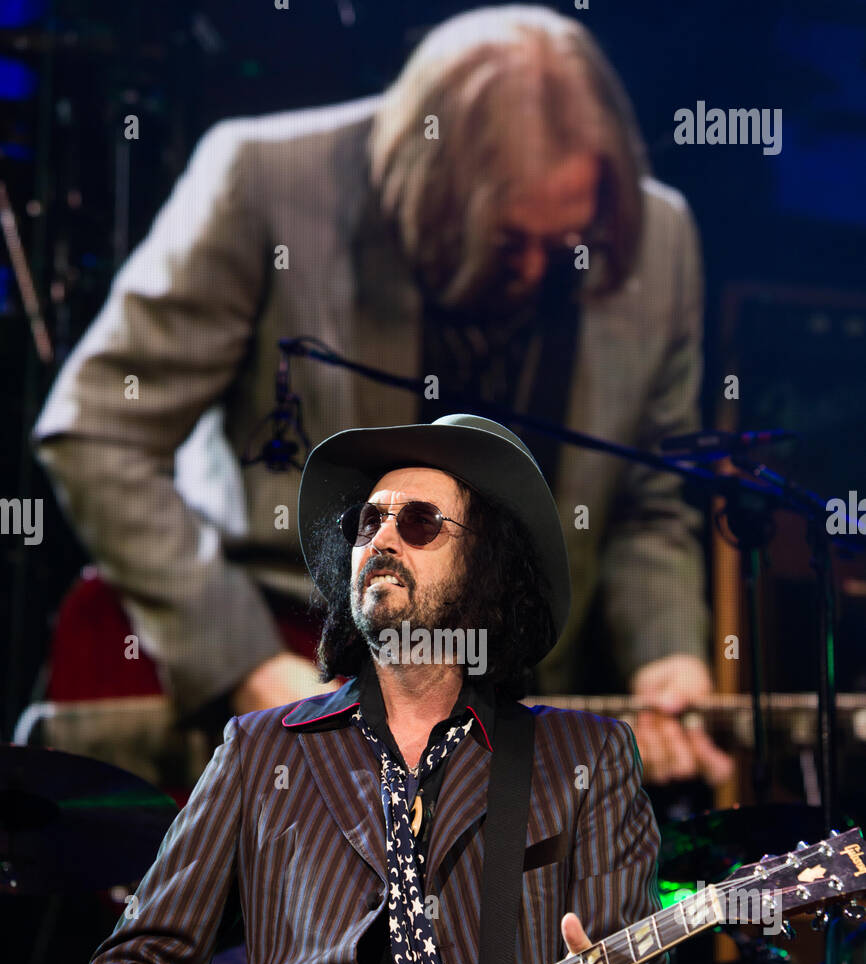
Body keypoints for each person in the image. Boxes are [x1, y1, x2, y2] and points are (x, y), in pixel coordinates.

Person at [31, 6, 730, 787]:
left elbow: (648, 502)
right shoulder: (263, 182)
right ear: (431, 186)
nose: (538, 272)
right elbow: (95, 429)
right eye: (507, 244)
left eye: (564, 243)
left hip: (499, 741)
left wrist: (666, 654)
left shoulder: (658, 240)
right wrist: (247, 664)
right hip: (286, 670)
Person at [82, 414, 670, 964]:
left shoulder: (582, 758)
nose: (383, 536)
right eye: (369, 521)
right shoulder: (261, 750)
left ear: (487, 567)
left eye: (420, 523)